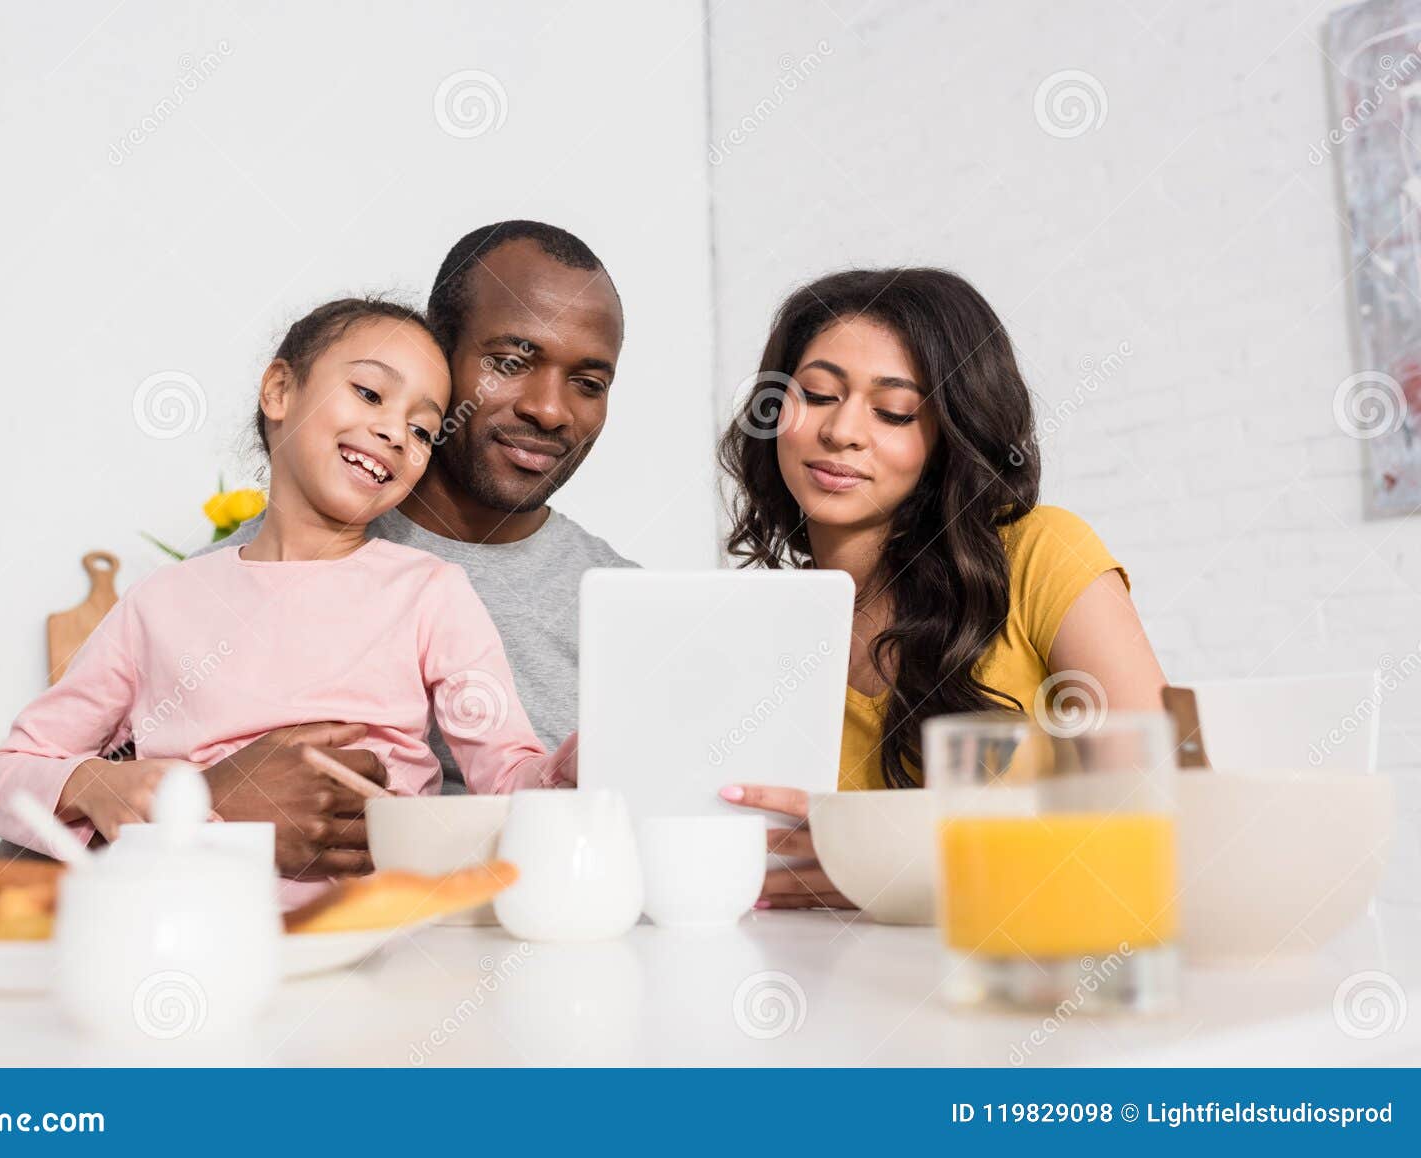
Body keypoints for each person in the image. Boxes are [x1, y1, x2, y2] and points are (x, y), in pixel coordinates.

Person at [0, 298, 577, 895]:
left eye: (422, 429)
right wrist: (104, 785)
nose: (396, 433)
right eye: (369, 393)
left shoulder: (430, 593)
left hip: (366, 930)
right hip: (184, 918)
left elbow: (510, 778)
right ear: (280, 390)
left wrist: (572, 767)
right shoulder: (161, 601)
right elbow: (8, 774)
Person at [715, 268, 1167, 909]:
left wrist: (883, 864)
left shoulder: (1041, 554)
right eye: (817, 394)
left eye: (894, 412)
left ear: (950, 434)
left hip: (1031, 960)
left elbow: (1165, 802)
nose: (842, 431)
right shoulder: (762, 630)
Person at [197, 221, 634, 874]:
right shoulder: (237, 582)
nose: (550, 410)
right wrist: (204, 799)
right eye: (511, 362)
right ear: (437, 356)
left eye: (588, 383)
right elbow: (57, 817)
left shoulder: (630, 609)